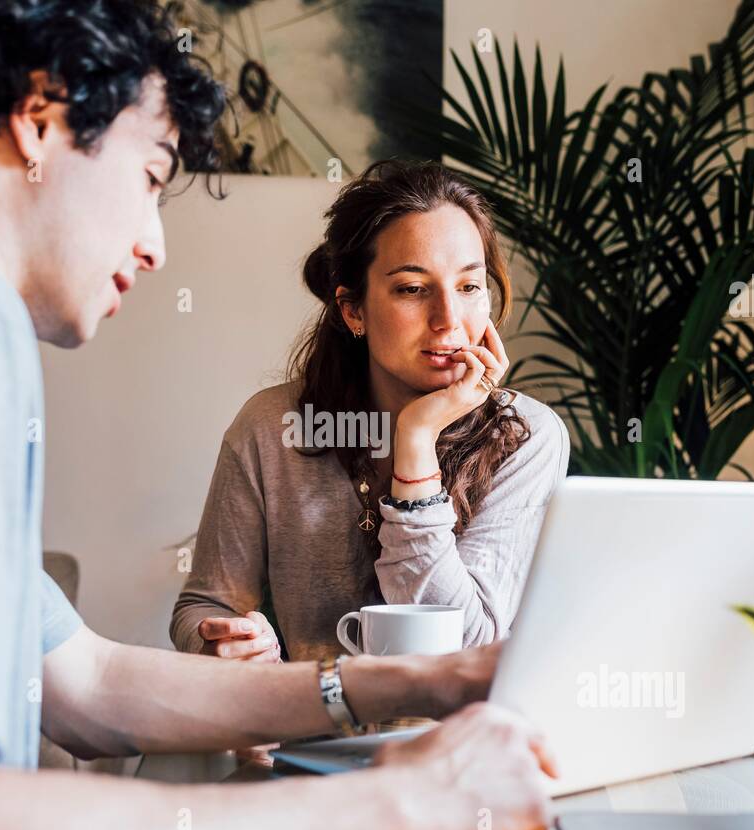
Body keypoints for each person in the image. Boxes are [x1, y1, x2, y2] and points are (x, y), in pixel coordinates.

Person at [0, 0, 555, 830]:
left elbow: (86, 684)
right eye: (151, 176)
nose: (155, 245)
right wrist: (411, 802)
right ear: (38, 118)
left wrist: (419, 678)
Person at [171, 160, 570, 664]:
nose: (449, 321)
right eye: (412, 288)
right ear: (353, 309)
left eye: (469, 286)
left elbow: (458, 650)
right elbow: (204, 605)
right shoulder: (273, 428)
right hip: (308, 733)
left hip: (458, 738)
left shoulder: (527, 436)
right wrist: (224, 640)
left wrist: (417, 439)